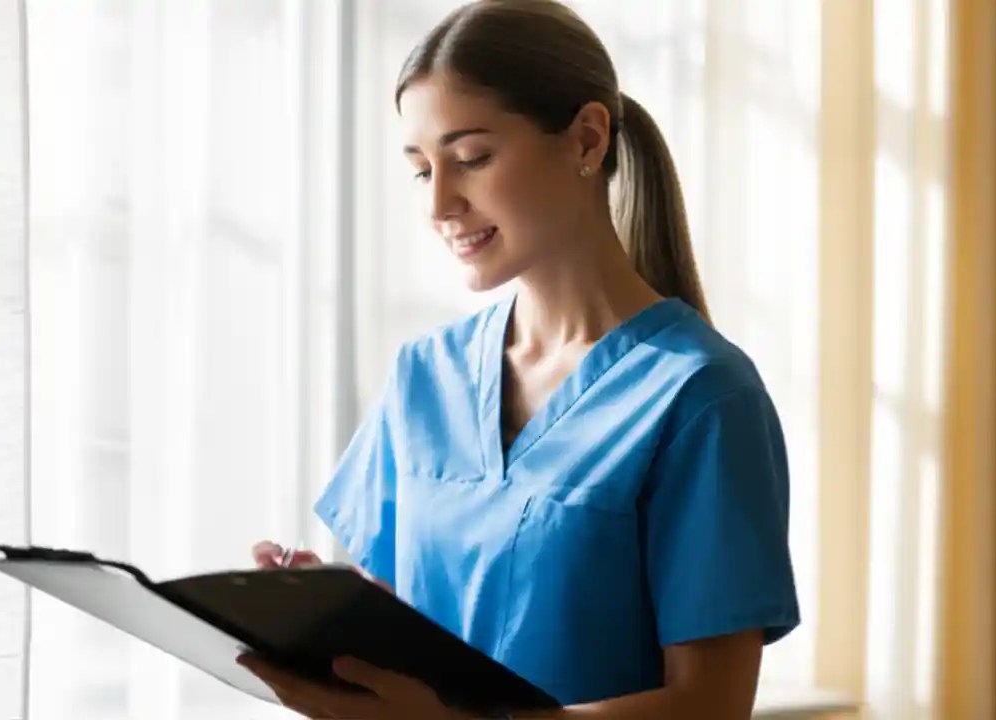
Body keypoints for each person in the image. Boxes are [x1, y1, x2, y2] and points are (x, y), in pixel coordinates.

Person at [239, 1, 800, 717]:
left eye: (471, 158)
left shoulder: (699, 396)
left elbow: (709, 706)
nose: (441, 201)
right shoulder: (424, 375)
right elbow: (422, 623)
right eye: (421, 170)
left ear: (587, 140)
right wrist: (327, 630)